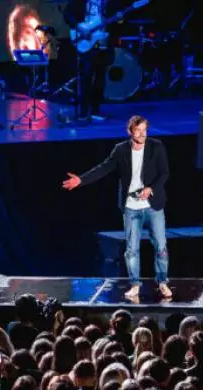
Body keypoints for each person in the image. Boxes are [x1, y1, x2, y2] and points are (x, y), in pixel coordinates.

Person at [63, 115, 171, 302]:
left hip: (153, 206)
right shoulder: (121, 150)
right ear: (130, 132)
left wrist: (150, 188)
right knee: (131, 249)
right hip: (131, 207)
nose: (142, 134)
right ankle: (135, 284)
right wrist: (81, 180)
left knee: (161, 247)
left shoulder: (156, 147)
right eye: (138, 131)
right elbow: (103, 168)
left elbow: (164, 173)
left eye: (145, 130)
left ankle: (162, 281)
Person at [66, 0, 114, 121]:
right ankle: (83, 111)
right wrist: (80, 28)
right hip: (86, 42)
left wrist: (118, 19)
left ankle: (95, 110)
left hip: (103, 43)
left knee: (100, 78)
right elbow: (67, 15)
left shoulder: (108, 3)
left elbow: (114, 20)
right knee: (85, 77)